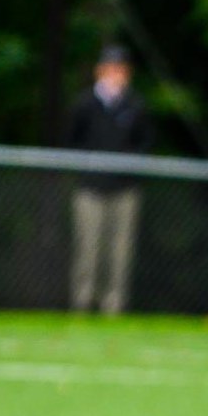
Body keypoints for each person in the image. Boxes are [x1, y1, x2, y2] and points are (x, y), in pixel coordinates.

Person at [66, 44, 152, 314]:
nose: (115, 74)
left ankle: (113, 305)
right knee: (88, 248)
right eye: (110, 68)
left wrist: (128, 166)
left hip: (125, 188)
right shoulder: (84, 104)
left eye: (120, 69)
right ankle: (82, 302)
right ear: (99, 71)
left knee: (120, 252)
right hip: (90, 187)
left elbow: (146, 142)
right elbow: (71, 140)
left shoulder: (135, 105)